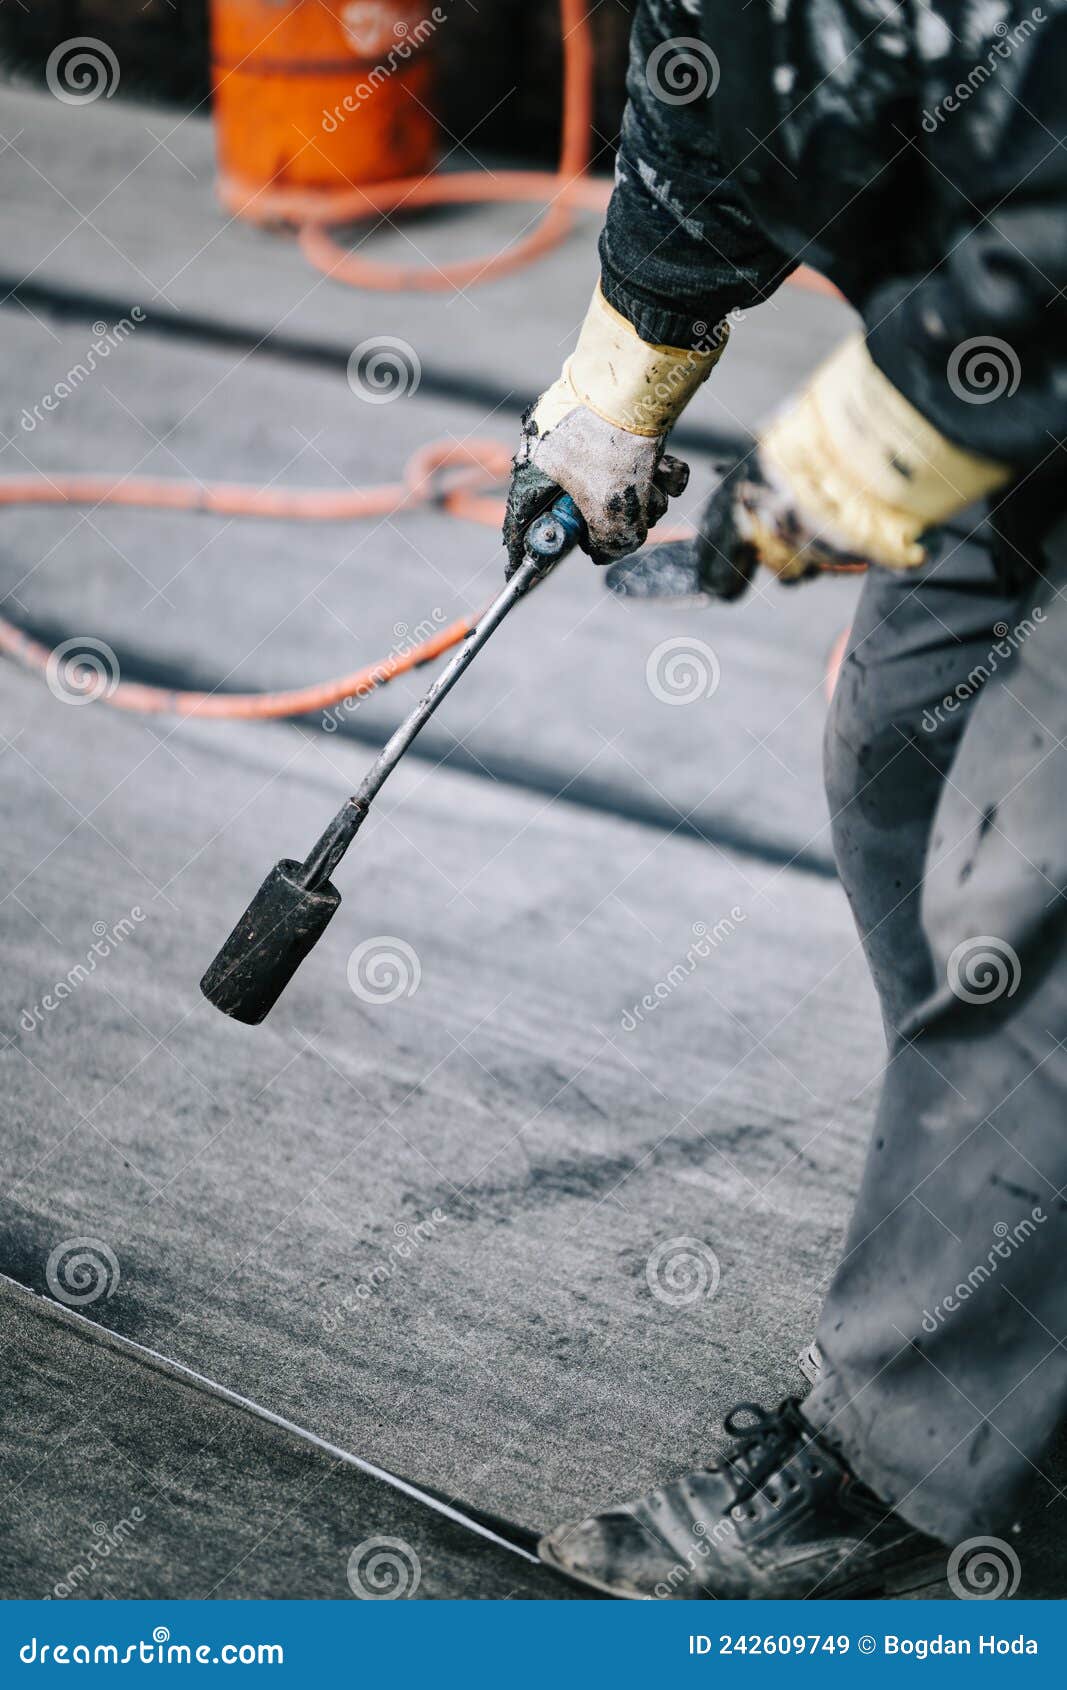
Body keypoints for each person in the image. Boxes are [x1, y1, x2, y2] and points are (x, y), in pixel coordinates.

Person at [504, 0, 1067, 1600]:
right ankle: (1022, 1282)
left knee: (1029, 893)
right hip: (1008, 388)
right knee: (910, 751)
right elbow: (710, 70)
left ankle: (899, 1476)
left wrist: (879, 439)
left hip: (1017, 342)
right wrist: (624, 372)